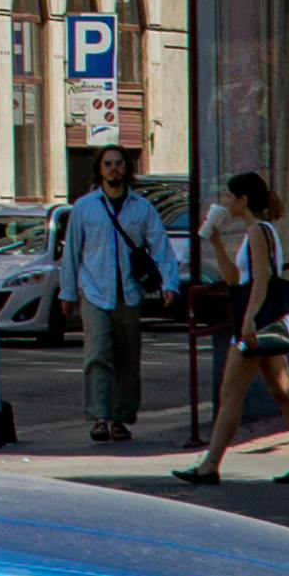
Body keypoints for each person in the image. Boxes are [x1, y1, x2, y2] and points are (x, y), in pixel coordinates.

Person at [173, 169, 289, 487]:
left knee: (231, 394)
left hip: (255, 323)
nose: (224, 201)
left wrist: (250, 317)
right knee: (284, 393)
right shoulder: (256, 231)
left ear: (243, 200)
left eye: (229, 196)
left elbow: (263, 278)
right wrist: (214, 240)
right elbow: (233, 278)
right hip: (262, 321)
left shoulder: (258, 232)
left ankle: (210, 464)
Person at [60, 146, 171, 444]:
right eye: (108, 164)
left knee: (127, 357)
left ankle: (120, 418)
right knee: (97, 355)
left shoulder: (142, 208)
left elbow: (159, 244)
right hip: (95, 291)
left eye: (119, 163)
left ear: (126, 168)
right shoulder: (85, 207)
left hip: (129, 294)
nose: (113, 169)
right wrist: (68, 292)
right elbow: (72, 252)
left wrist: (170, 284)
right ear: (99, 169)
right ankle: (99, 417)